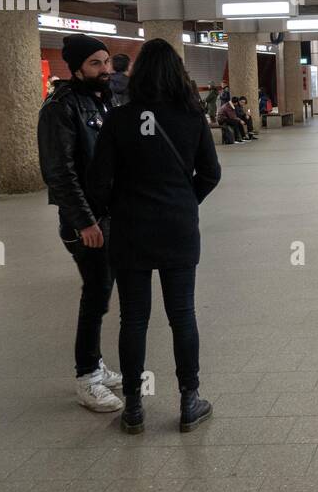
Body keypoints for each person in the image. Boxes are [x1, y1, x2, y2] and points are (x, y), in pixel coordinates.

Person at [87, 39, 221, 434]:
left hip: (131, 230)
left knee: (134, 319)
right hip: (178, 228)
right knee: (182, 315)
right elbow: (210, 173)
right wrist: (184, 201)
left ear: (138, 75)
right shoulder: (192, 117)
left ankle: (132, 407)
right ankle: (189, 399)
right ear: (178, 75)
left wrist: (118, 205)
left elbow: (97, 183)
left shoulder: (118, 118)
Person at [37, 35, 125, 412]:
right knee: (95, 295)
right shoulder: (60, 108)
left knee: (101, 293)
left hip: (108, 214)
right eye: (95, 64)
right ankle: (86, 375)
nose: (105, 70)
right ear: (75, 69)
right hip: (86, 222)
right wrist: (85, 222)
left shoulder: (100, 101)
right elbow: (59, 172)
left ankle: (95, 364)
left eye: (106, 62)